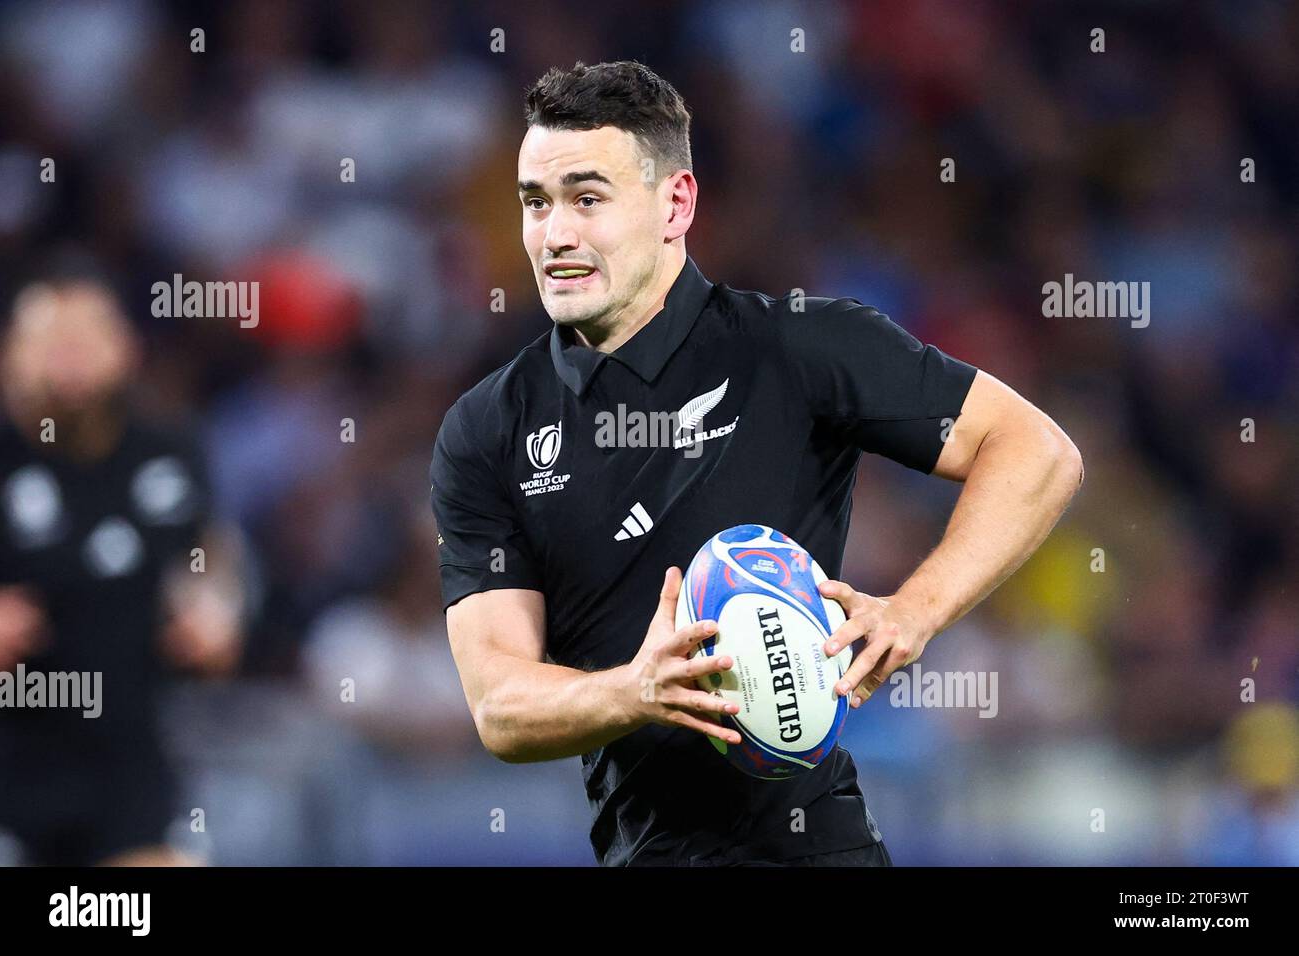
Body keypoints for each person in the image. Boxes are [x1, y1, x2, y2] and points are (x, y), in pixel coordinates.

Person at [430, 61, 1083, 866]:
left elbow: (1035, 451)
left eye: (587, 199)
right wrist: (633, 690)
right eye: (536, 203)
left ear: (676, 204)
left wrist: (915, 611)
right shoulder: (488, 429)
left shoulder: (798, 347)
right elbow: (499, 704)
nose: (555, 234)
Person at [0, 277, 242, 866]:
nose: (70, 356)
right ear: (12, 354)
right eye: (51, 340)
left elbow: (209, 560)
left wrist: (218, 609)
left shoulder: (168, 450)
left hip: (129, 753)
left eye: (86, 337)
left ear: (125, 347)